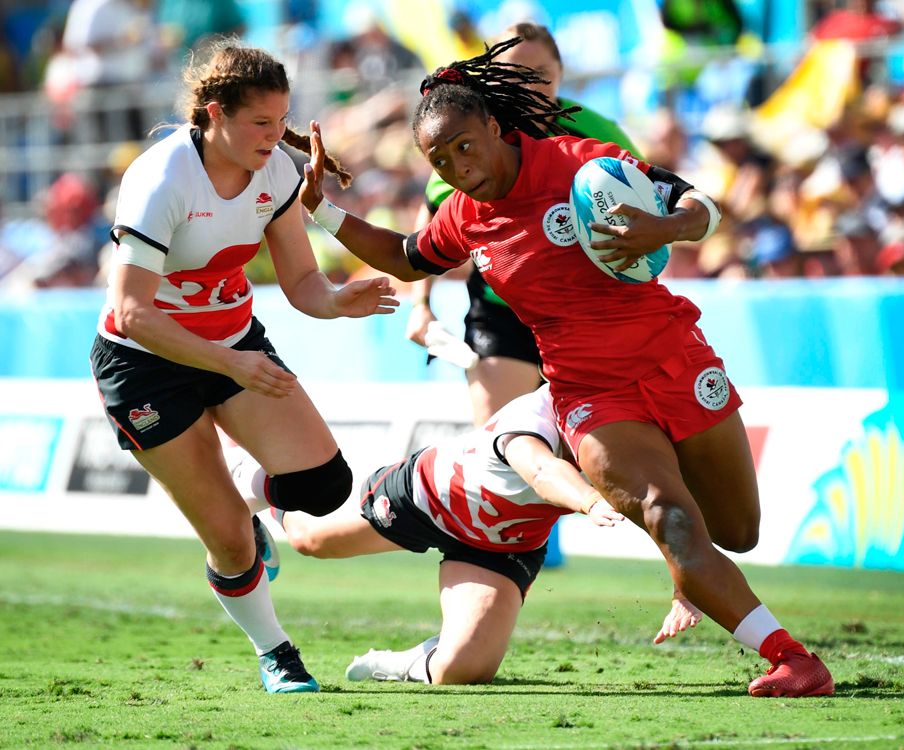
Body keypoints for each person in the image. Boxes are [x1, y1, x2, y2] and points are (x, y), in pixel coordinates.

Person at [301, 38, 834, 697]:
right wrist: (320, 208)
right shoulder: (467, 217)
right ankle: (793, 659)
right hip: (589, 393)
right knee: (670, 519)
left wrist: (660, 230)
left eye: (464, 147)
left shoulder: (582, 164)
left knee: (737, 532)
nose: (457, 168)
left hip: (673, 358)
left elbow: (700, 204)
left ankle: (698, 572)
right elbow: (408, 255)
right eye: (439, 160)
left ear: (495, 128)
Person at [88, 40, 398, 693]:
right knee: (231, 542)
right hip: (142, 366)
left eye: (282, 120)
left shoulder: (277, 172)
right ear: (212, 113)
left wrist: (339, 301)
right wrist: (232, 362)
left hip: (232, 343)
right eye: (261, 123)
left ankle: (249, 485)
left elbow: (304, 282)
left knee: (325, 487)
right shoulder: (159, 178)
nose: (275, 136)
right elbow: (133, 314)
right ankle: (276, 654)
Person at [234, 384, 635, 684]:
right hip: (425, 499)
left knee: (462, 669)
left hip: (499, 545)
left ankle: (393, 663)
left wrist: (682, 586)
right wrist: (590, 501)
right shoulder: (536, 414)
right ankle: (251, 481)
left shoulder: (628, 419)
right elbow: (544, 472)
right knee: (309, 539)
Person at [405, 22, 642, 429]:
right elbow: (432, 214)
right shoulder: (473, 133)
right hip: (503, 313)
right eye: (516, 74)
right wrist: (420, 305)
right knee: (500, 447)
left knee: (583, 451)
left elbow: (648, 198)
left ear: (561, 73)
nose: (530, 87)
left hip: (585, 314)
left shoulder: (596, 131)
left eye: (541, 76)